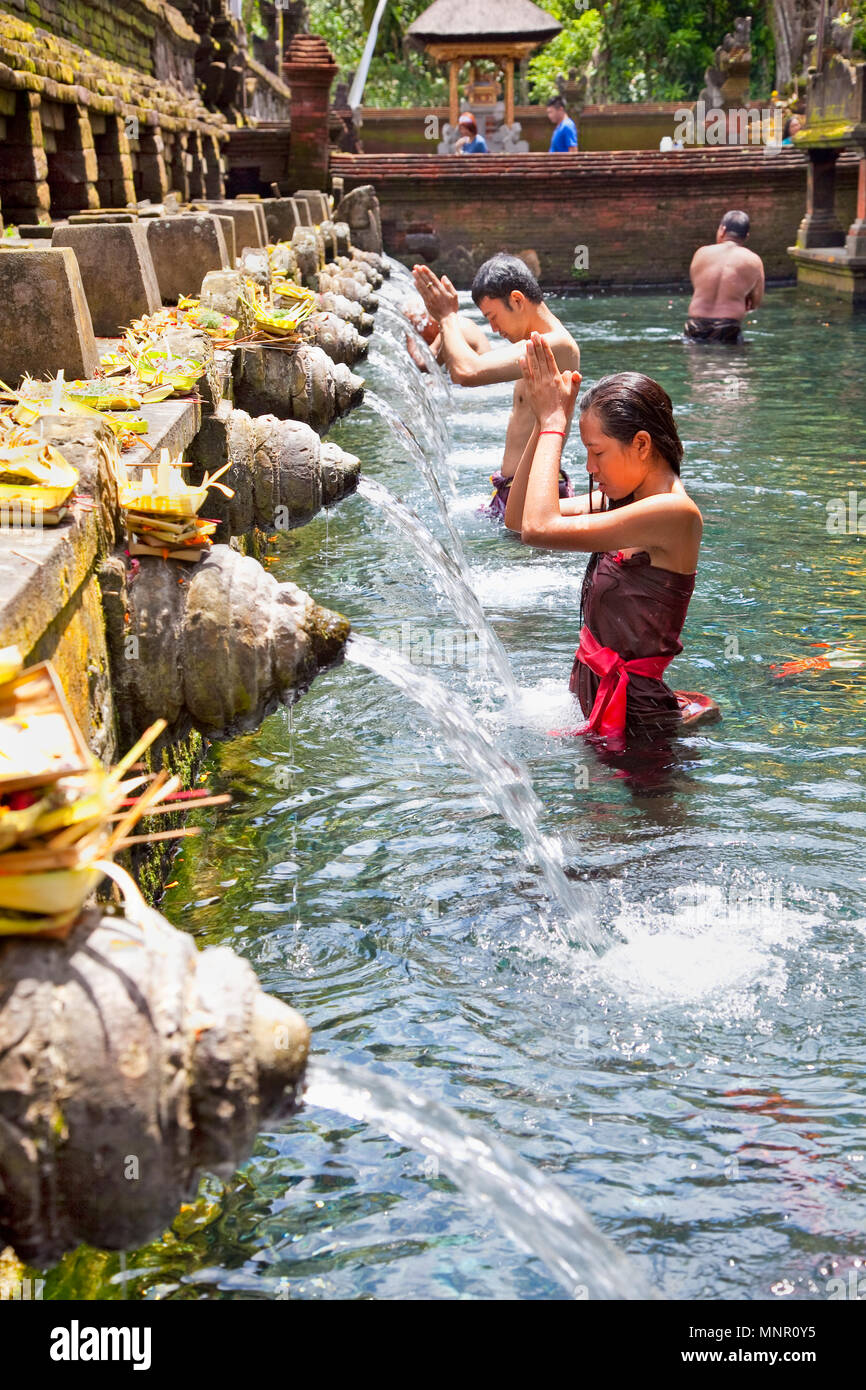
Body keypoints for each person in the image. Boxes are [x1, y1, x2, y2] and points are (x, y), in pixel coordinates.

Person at [504, 334, 719, 742]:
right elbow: (518, 520)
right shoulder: (621, 500)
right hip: (607, 717)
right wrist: (543, 421)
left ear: (641, 444)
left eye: (597, 452)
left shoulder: (674, 513)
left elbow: (539, 528)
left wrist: (555, 428)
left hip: (641, 732)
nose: (589, 466)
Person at [411, 254, 581, 517]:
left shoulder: (555, 345)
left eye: (493, 316)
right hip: (517, 491)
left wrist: (447, 317)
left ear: (516, 299)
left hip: (533, 496)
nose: (492, 328)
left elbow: (467, 372)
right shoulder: (535, 344)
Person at [684, 209, 765, 345]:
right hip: (728, 328)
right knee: (732, 364)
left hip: (695, 326)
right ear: (746, 236)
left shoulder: (701, 253)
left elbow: (698, 288)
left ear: (722, 230)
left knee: (698, 365)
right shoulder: (753, 261)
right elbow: (754, 304)